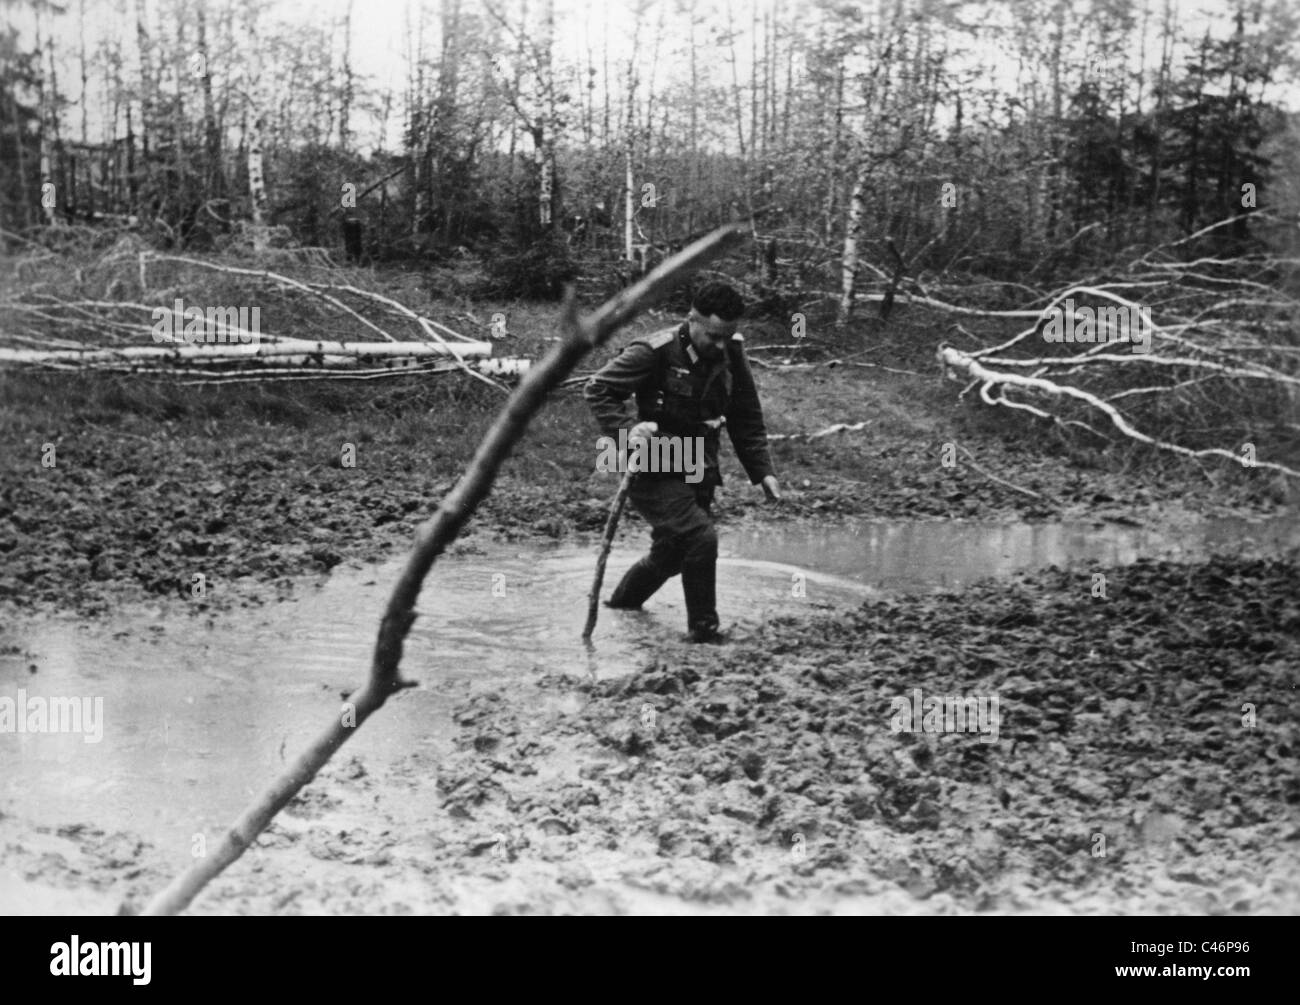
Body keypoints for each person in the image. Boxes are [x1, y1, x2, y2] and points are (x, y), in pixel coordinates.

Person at [584, 281, 781, 643]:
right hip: (652, 462)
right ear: (691, 320)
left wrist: (762, 471)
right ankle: (704, 634)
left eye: (728, 336)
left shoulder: (730, 350)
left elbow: (745, 413)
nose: (721, 345)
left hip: (697, 463)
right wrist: (628, 432)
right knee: (700, 538)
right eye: (713, 336)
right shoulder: (653, 351)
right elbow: (598, 388)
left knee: (672, 554)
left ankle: (623, 607)